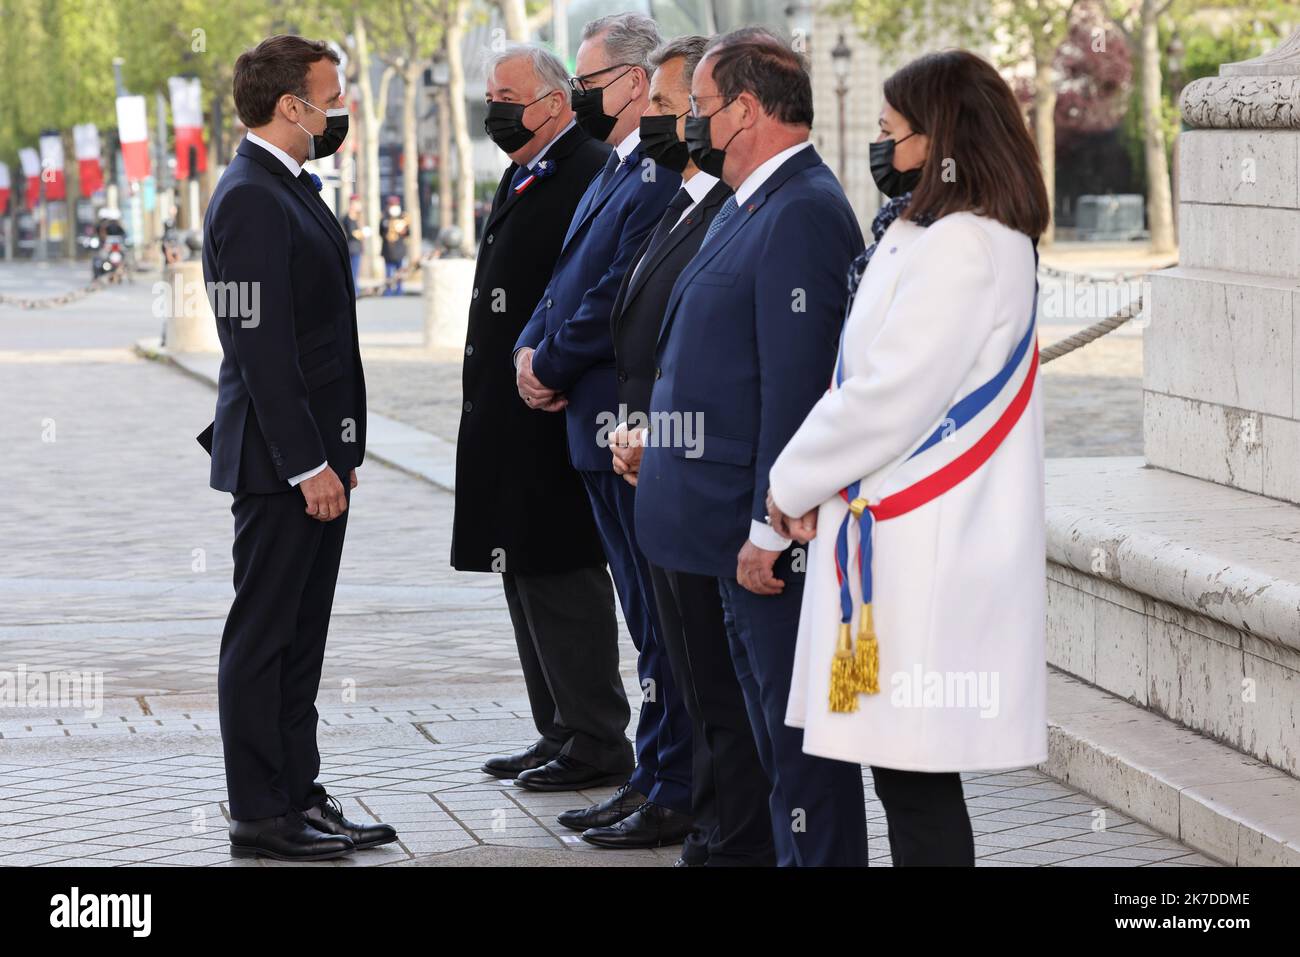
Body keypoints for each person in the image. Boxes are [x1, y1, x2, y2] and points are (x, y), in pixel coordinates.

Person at [766, 49, 1050, 867]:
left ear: (941, 139)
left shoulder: (964, 245)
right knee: (904, 773)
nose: (882, 145)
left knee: (917, 778)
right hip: (897, 537)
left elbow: (888, 392)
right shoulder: (936, 235)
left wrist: (792, 480)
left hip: (923, 545)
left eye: (893, 131)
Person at [635, 28, 868, 866]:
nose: (690, 127)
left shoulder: (802, 209)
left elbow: (797, 390)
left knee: (798, 750)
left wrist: (770, 524)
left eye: (698, 109)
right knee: (762, 743)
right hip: (712, 520)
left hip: (757, 531)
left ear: (744, 109)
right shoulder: (753, 201)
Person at [197, 34, 395, 862]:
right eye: (331, 94)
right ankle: (259, 811)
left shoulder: (285, 186)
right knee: (265, 634)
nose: (339, 108)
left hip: (316, 455)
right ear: (291, 106)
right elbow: (260, 345)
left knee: (300, 637)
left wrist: (335, 452)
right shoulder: (249, 195)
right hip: (284, 464)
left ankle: (296, 792)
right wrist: (307, 462)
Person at [596, 36, 772, 864]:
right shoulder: (692, 200)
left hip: (714, 491)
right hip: (657, 459)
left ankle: (718, 828)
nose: (674, 123)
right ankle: (695, 812)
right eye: (673, 108)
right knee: (681, 665)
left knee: (722, 691)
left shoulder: (771, 211)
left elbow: (779, 382)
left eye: (684, 108)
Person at [512, 14, 687, 805]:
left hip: (624, 424)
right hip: (591, 425)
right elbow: (565, 280)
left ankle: (666, 782)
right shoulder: (620, 168)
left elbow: (619, 290)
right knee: (644, 618)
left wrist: (549, 362)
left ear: (633, 83)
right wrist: (529, 348)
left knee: (660, 625)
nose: (580, 97)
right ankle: (655, 777)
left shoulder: (652, 174)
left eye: (586, 85)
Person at [453, 43, 619, 789]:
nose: (495, 107)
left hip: (552, 412)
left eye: (507, 93)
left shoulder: (586, 168)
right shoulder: (529, 167)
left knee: (560, 570)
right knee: (518, 568)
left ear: (553, 101)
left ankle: (597, 734)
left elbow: (591, 290)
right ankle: (557, 725)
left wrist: (549, 365)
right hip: (506, 412)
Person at [380, 195, 409, 295]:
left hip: (399, 249)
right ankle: (388, 290)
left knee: (399, 271)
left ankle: (399, 289)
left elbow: (408, 233)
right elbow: (380, 232)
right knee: (389, 272)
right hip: (388, 249)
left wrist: (402, 230)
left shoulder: (403, 217)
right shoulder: (384, 217)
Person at [339, 195, 365, 284]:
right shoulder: (348, 217)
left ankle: (355, 289)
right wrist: (363, 233)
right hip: (352, 247)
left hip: (355, 247)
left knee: (354, 271)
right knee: (353, 271)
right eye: (357, 203)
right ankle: (354, 290)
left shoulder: (357, 217)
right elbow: (352, 233)